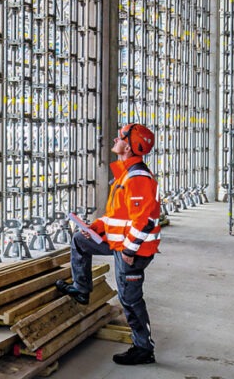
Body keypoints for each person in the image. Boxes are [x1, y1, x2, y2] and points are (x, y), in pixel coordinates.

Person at [55, 123, 161, 366]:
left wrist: (129, 251)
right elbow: (117, 215)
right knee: (81, 240)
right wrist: (96, 227)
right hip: (121, 243)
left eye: (120, 136)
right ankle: (82, 290)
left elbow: (145, 221)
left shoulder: (138, 178)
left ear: (131, 145)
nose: (115, 138)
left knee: (130, 299)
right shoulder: (125, 174)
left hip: (134, 250)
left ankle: (144, 349)